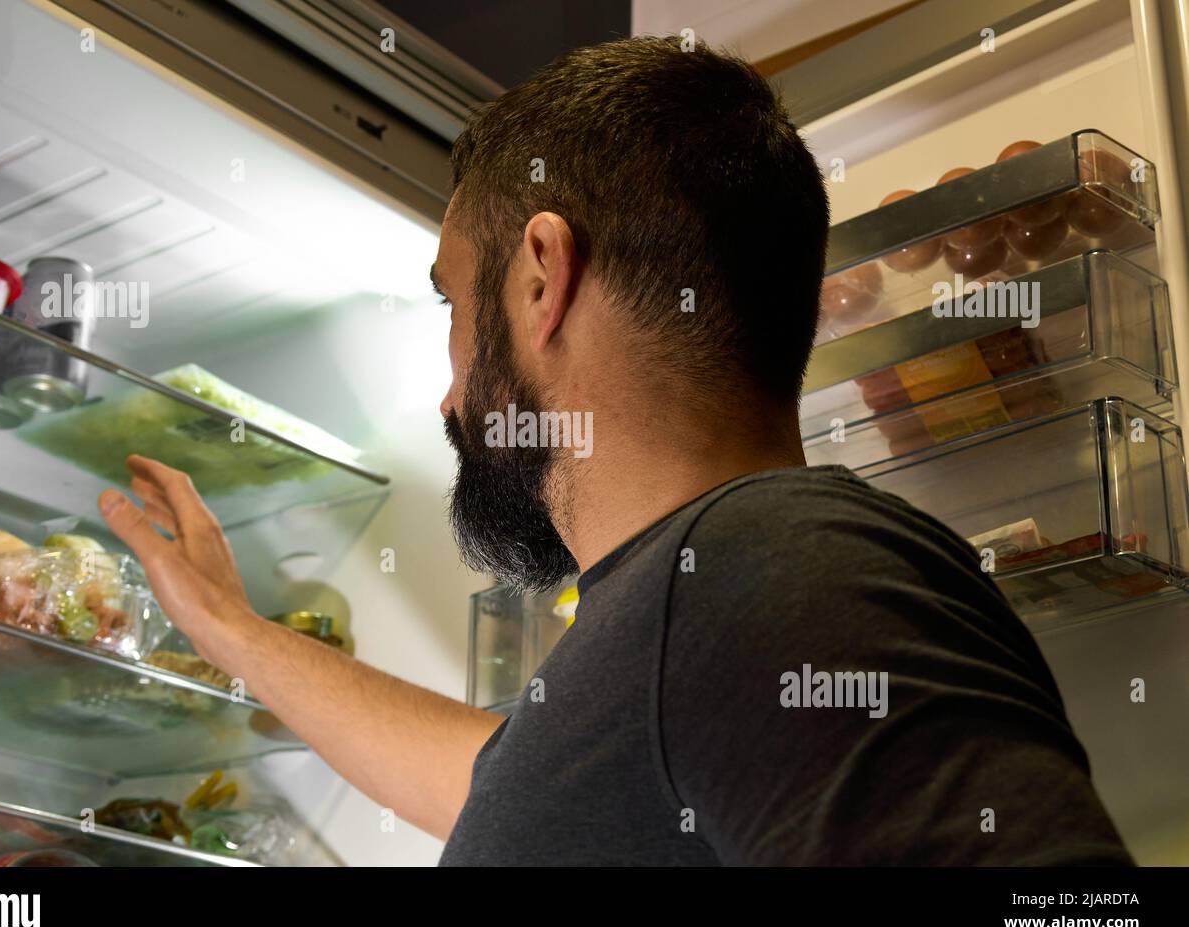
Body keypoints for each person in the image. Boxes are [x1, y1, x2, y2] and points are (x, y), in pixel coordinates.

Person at [99, 36, 1132, 866]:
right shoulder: (689, 617)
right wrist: (230, 630)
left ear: (542, 279)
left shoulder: (779, 569)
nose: (451, 390)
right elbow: (500, 784)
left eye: (454, 304)